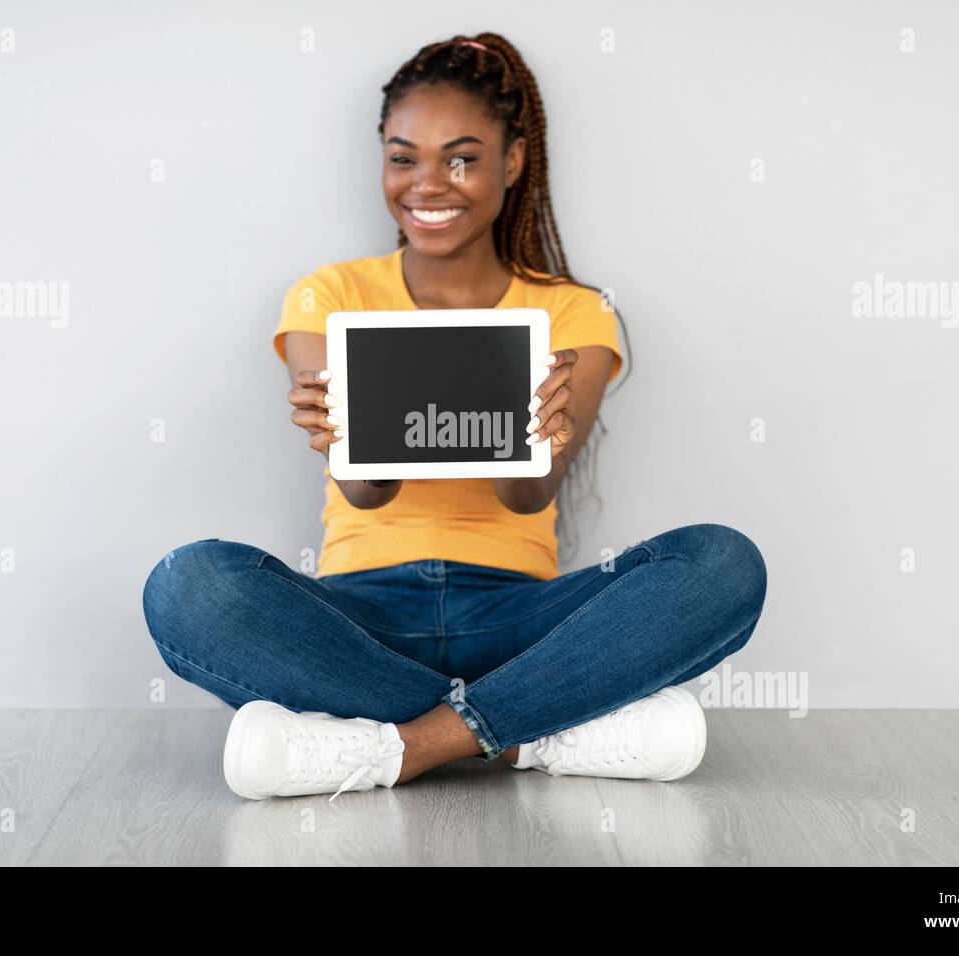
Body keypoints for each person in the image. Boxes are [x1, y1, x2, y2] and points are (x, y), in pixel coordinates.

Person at [143, 32, 767, 802]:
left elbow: (528, 497)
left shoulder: (575, 312)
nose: (427, 183)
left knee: (724, 564)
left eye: (461, 158)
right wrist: (348, 443)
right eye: (404, 157)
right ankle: (531, 733)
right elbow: (365, 494)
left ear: (511, 162)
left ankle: (392, 749)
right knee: (189, 585)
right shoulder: (327, 294)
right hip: (357, 618)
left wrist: (546, 439)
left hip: (521, 616)